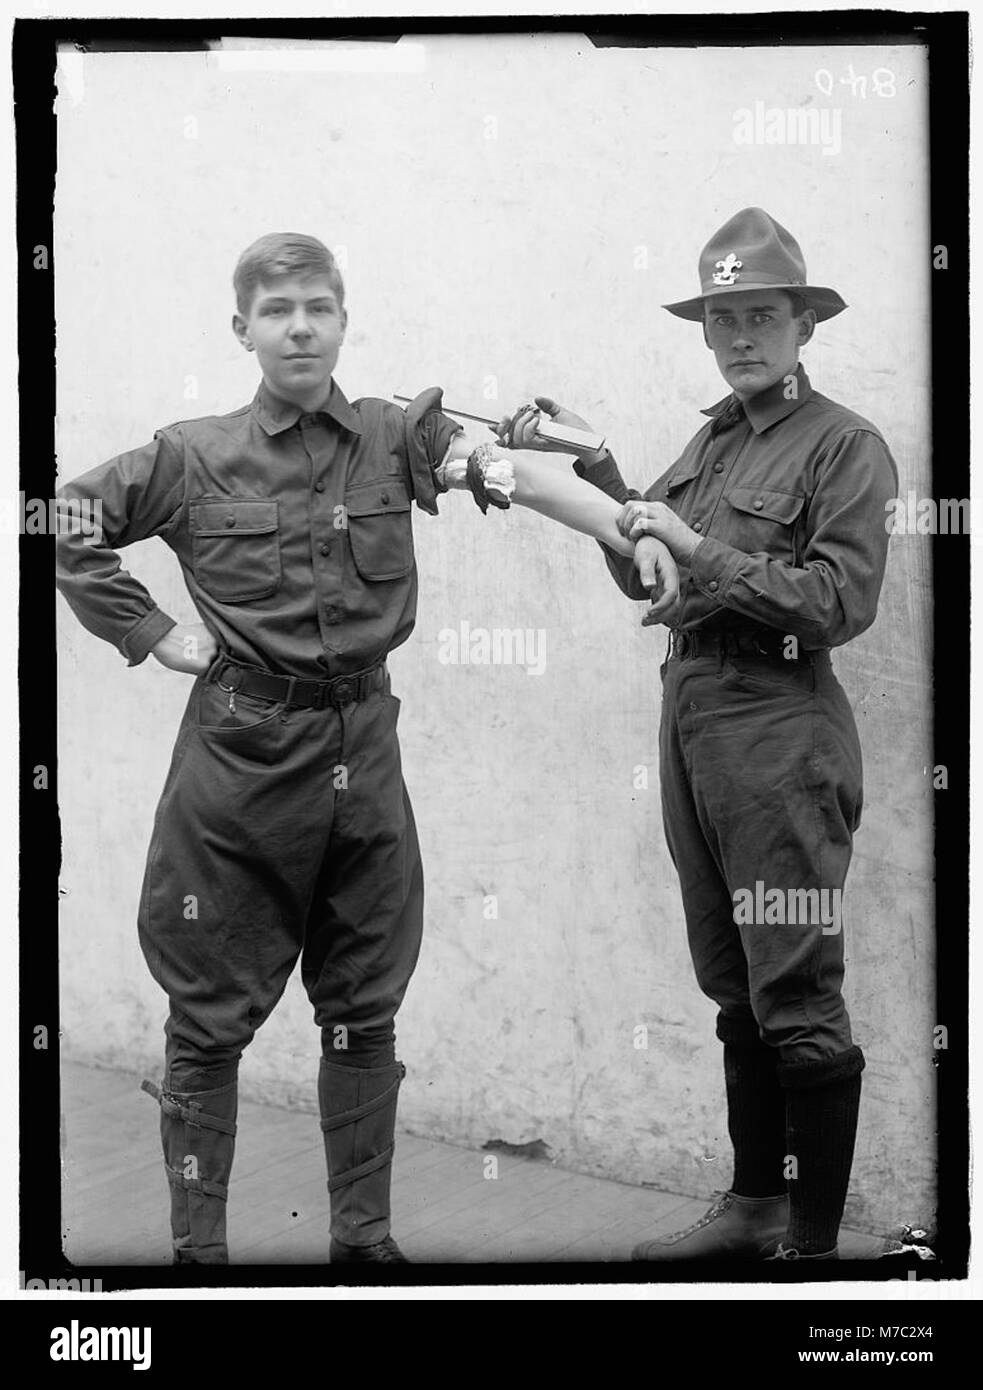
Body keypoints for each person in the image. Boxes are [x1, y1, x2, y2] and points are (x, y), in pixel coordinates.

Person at [55, 232, 676, 1266]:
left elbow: (512, 474)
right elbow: (64, 516)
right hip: (240, 766)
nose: (299, 326)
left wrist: (625, 528)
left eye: (317, 307)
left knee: (363, 1007)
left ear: (342, 319)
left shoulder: (393, 436)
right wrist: (152, 632)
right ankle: (196, 1258)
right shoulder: (189, 454)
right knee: (208, 1020)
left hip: (363, 755)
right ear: (242, 327)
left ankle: (363, 1243)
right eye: (276, 309)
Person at [499, 208, 898, 1261]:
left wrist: (694, 546)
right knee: (733, 979)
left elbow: (836, 602)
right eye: (720, 318)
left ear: (802, 323)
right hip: (693, 722)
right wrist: (597, 470)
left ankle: (809, 1252)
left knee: (795, 987)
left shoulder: (843, 444)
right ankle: (753, 1207)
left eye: (760, 315)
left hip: (779, 732)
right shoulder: (709, 441)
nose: (738, 336)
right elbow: (650, 565)